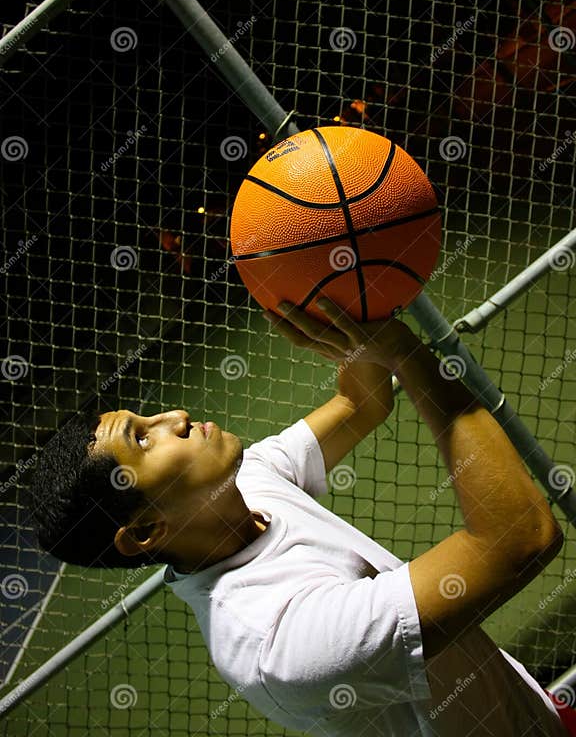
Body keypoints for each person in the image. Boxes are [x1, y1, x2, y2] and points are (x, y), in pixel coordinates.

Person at [29, 297, 570, 736]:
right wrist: (411, 359)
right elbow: (520, 537)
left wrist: (344, 312)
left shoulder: (248, 481)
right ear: (145, 531)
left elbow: (362, 404)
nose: (176, 415)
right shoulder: (281, 641)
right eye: (144, 438)